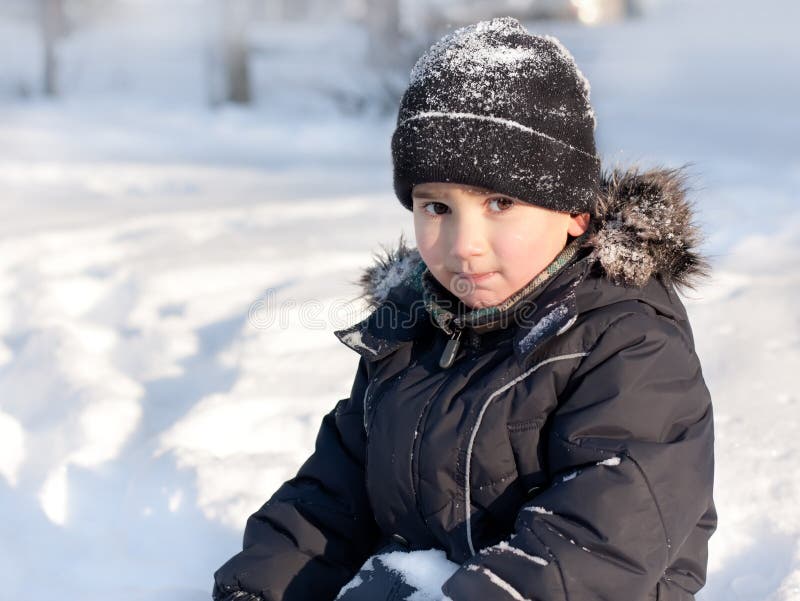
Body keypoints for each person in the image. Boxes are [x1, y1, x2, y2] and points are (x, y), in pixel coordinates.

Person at [212, 16, 717, 601]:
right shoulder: (413, 331)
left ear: (574, 212)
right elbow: (337, 491)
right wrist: (260, 586)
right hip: (420, 581)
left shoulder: (626, 343)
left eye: (499, 202)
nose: (463, 244)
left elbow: (604, 532)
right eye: (436, 208)